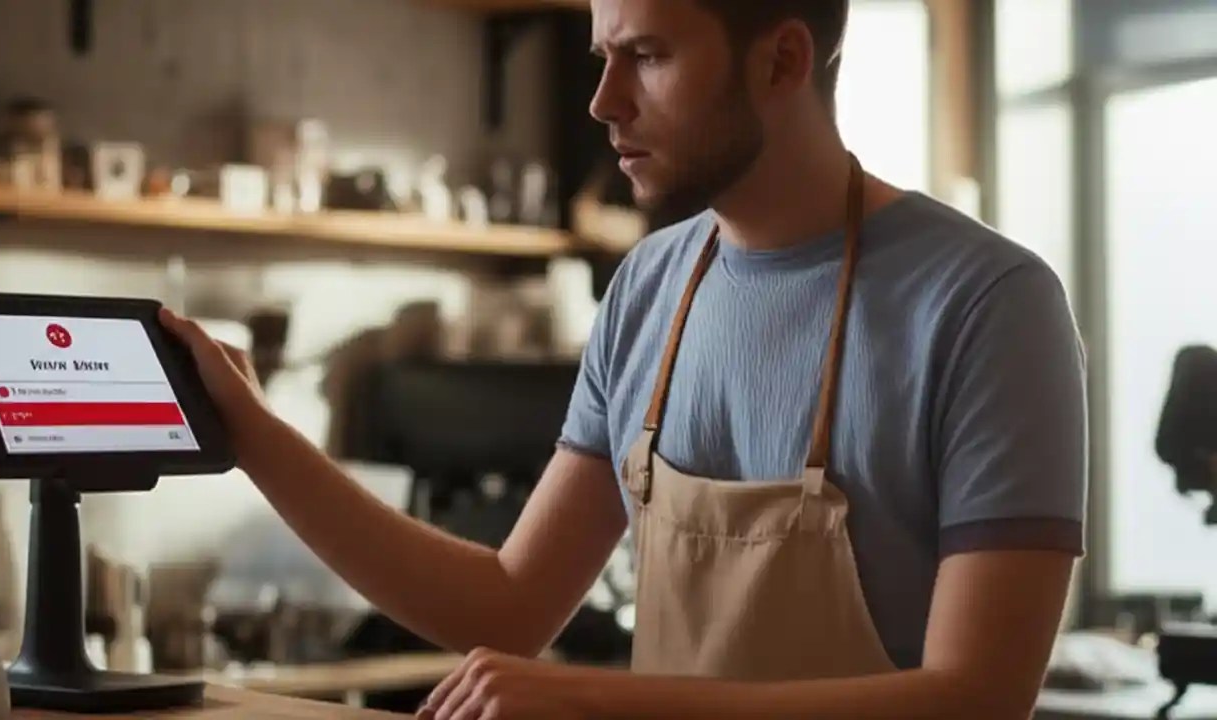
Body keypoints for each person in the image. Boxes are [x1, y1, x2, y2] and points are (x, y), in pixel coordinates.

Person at [161, 0, 1088, 717]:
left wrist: (593, 699)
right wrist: (258, 436)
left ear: (784, 59)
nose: (603, 103)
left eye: (647, 55)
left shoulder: (987, 306)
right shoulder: (648, 288)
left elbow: (978, 698)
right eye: (604, 57)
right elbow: (507, 606)